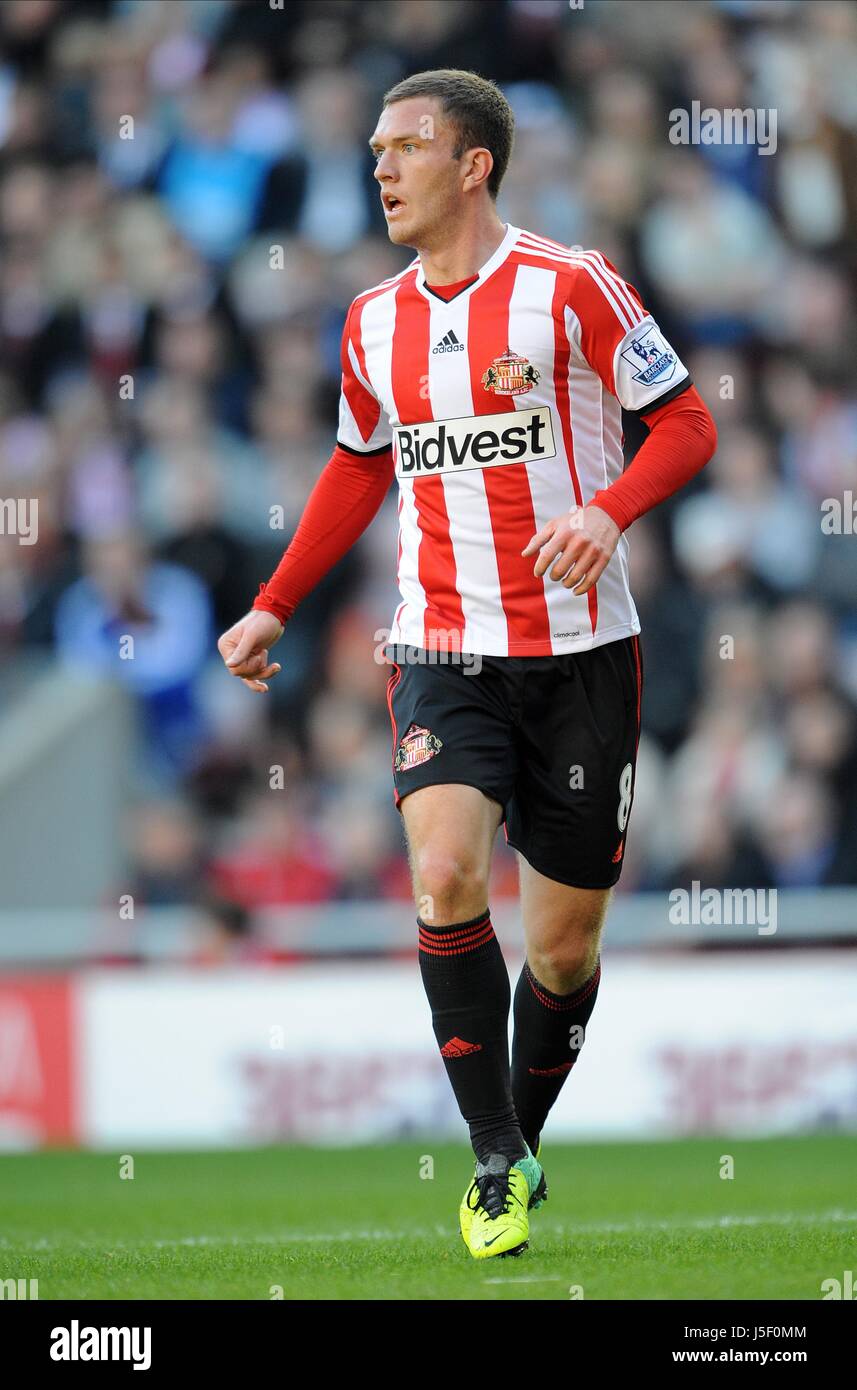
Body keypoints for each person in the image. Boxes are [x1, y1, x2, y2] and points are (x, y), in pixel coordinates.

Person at [217, 69, 717, 1260]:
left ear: (473, 163)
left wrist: (604, 512)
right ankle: (492, 1160)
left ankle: (517, 1136)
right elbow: (355, 466)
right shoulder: (370, 322)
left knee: (560, 947)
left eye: (405, 147)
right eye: (376, 149)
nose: (379, 167)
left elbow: (688, 423)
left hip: (583, 651)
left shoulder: (570, 285)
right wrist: (273, 603)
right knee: (443, 877)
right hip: (439, 642)